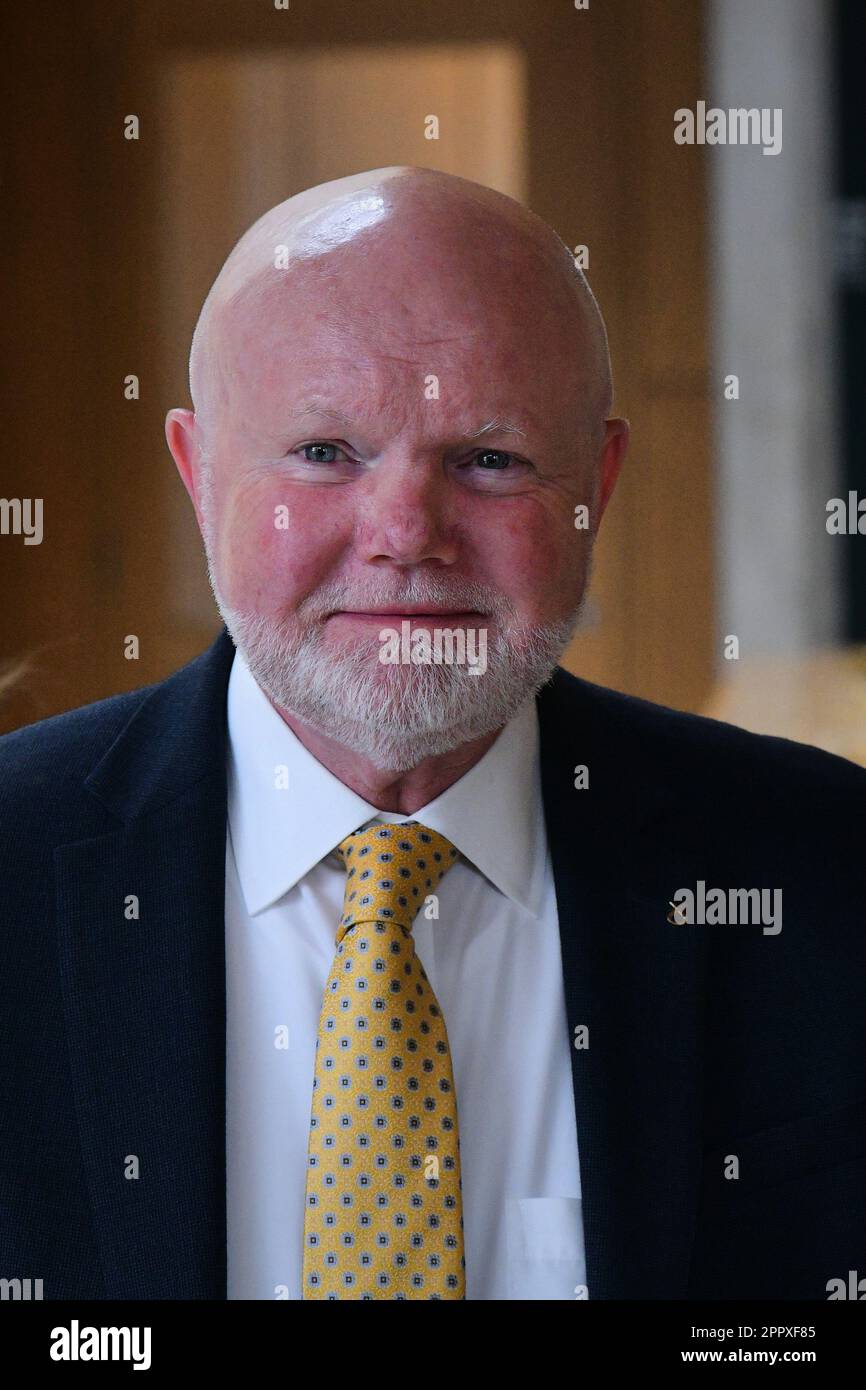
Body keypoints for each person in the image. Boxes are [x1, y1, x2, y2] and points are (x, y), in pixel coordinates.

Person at [1, 166, 863, 1301]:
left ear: (592, 487)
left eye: (488, 459)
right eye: (323, 452)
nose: (406, 534)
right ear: (199, 473)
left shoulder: (822, 867)